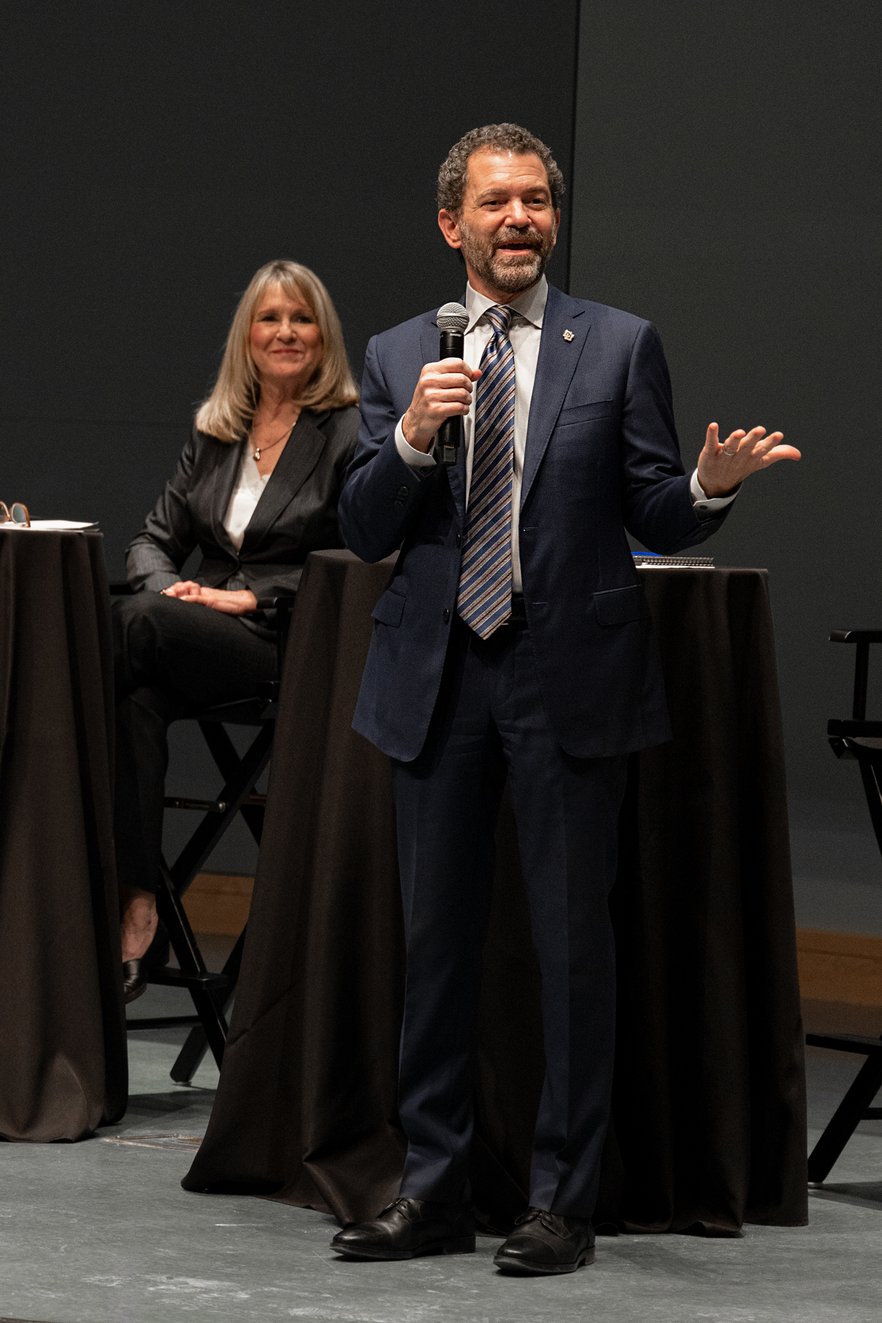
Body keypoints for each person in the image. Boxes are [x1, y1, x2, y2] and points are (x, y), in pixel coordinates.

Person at [331, 125, 800, 1275]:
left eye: (536, 200)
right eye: (496, 204)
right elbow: (361, 526)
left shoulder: (619, 345)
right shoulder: (399, 354)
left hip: (564, 677)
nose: (521, 220)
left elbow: (655, 508)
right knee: (437, 949)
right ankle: (433, 1190)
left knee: (568, 949)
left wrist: (707, 485)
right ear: (454, 225)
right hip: (438, 681)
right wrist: (408, 436)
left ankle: (561, 1201)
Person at [114, 260, 359, 1003]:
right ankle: (137, 897)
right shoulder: (216, 431)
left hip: (288, 643)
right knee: (133, 698)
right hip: (191, 632)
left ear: (323, 337)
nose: (285, 332)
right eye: (269, 318)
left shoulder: (351, 431)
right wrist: (174, 586)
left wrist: (249, 598)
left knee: (124, 627)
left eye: (301, 318)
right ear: (246, 337)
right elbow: (149, 542)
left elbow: (360, 554)